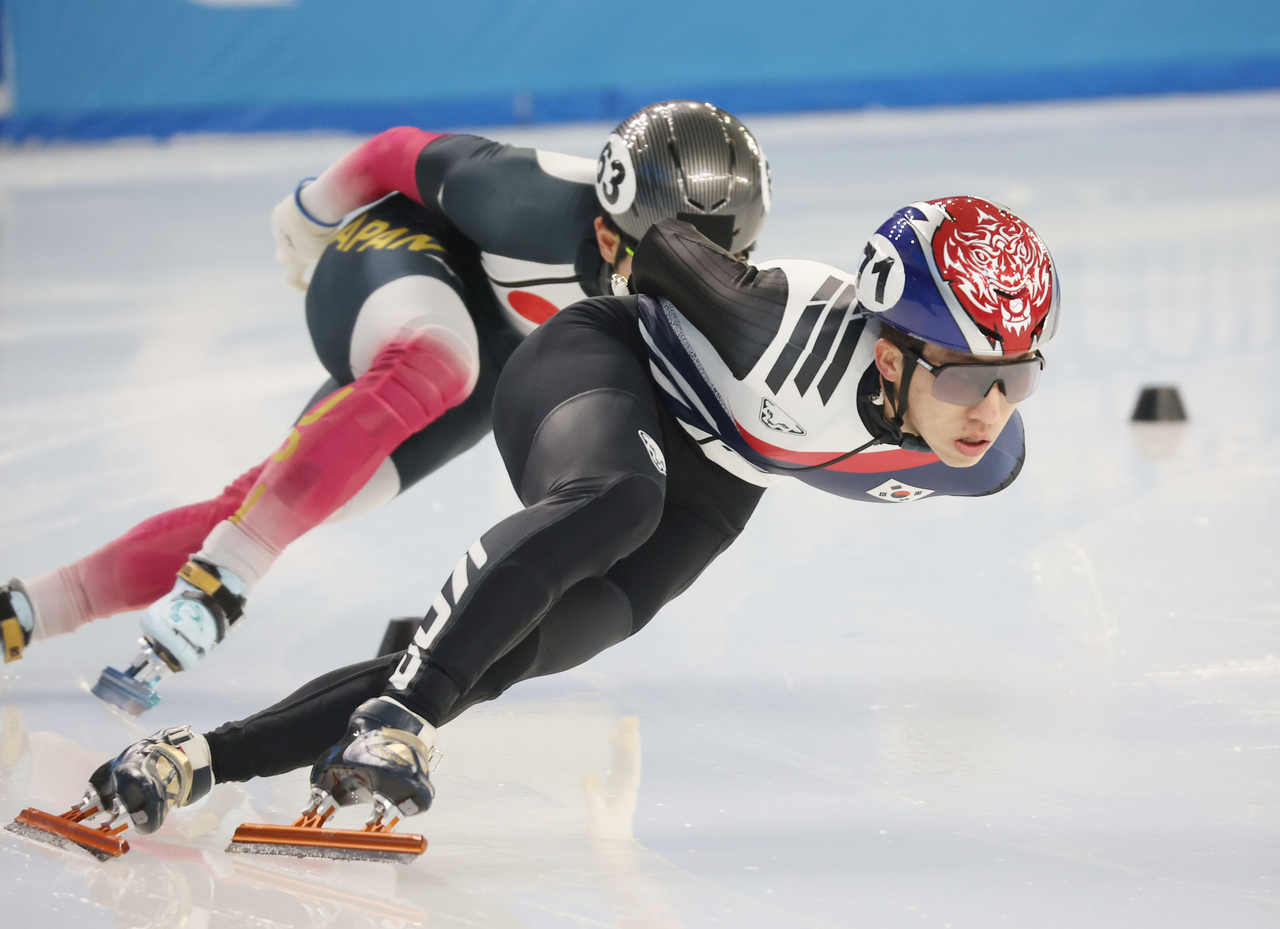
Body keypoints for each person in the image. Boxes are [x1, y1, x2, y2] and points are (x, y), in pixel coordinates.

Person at [66, 197, 1060, 840]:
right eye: (972, 375)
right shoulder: (770, 325)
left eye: (1018, 377)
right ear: (887, 352)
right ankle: (399, 716)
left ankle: (197, 758)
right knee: (616, 500)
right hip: (600, 371)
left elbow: (971, 425)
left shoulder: (984, 462)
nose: (992, 409)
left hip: (722, 474)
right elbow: (656, 232)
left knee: (525, 646)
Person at [0, 102, 772, 715]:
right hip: (391, 256)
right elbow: (392, 150)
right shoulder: (524, 198)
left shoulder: (709, 300)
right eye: (662, 260)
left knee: (286, 497)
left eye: (711, 267)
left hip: (497, 352)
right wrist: (304, 220)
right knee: (441, 359)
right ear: (604, 231)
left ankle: (30, 609)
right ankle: (225, 577)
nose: (685, 284)